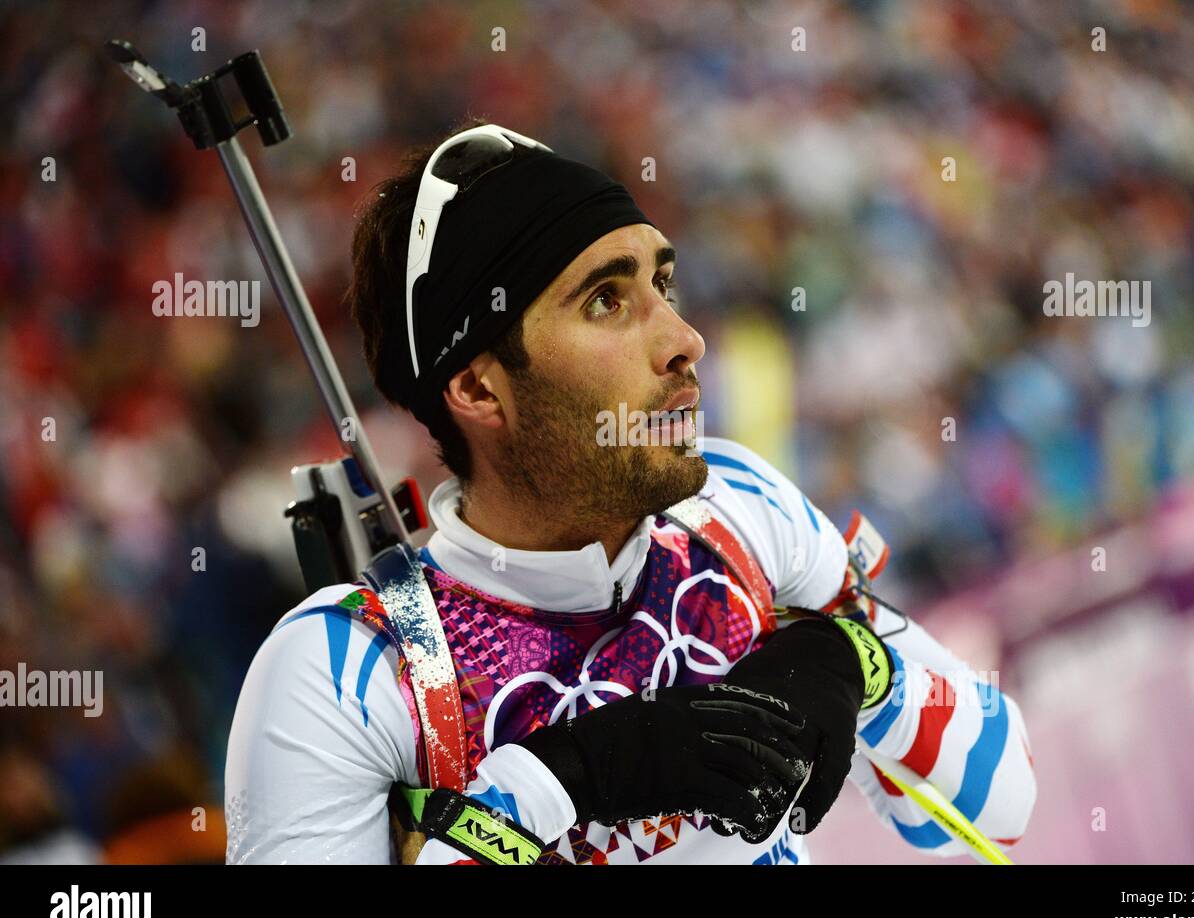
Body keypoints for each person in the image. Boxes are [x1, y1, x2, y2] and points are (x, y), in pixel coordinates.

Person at [224, 120, 1037, 865]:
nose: (685, 341)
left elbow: (1001, 801)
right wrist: (567, 778)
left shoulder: (737, 511)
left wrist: (860, 662)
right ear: (478, 388)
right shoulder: (346, 672)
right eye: (607, 301)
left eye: (665, 284)